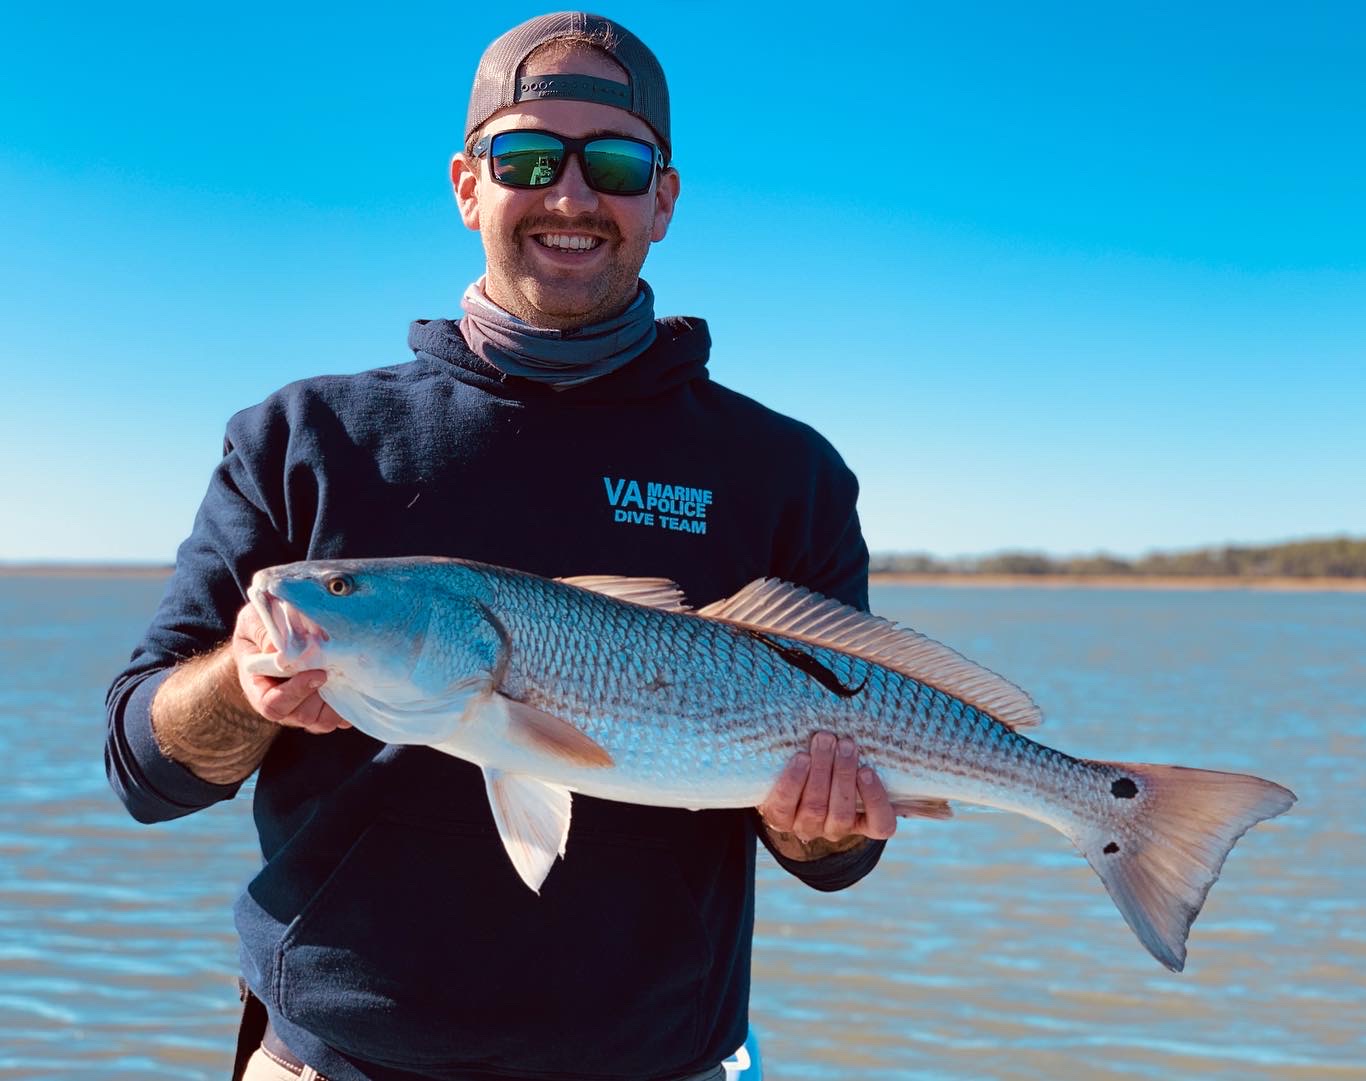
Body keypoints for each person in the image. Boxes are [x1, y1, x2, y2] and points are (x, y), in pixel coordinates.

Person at [105, 12, 896, 1081]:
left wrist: (826, 823)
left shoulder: (783, 470)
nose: (572, 197)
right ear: (468, 184)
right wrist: (242, 689)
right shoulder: (303, 438)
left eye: (616, 163)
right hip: (332, 1064)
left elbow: (834, 858)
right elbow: (144, 771)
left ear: (662, 199)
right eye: (526, 158)